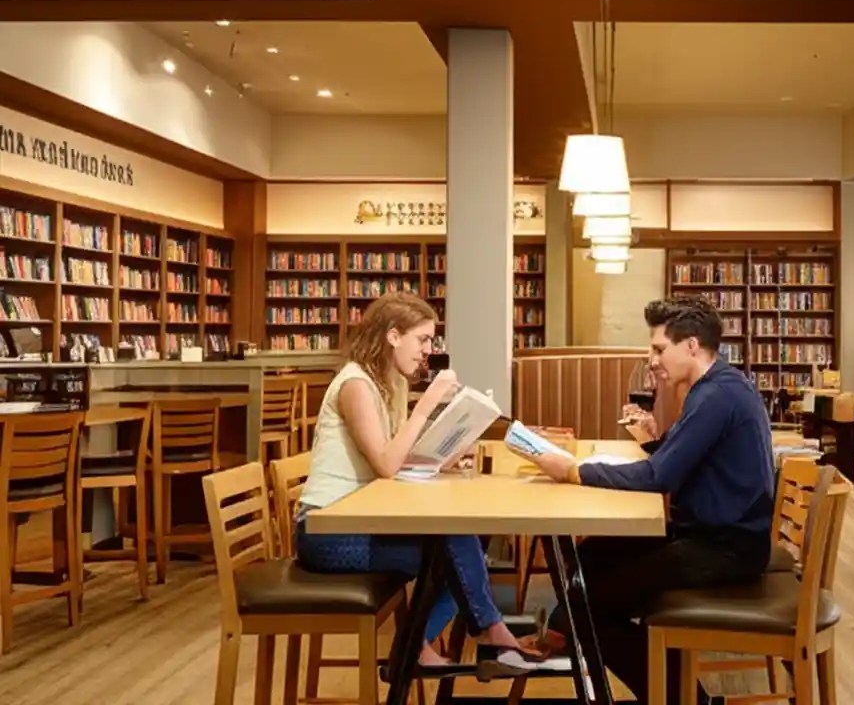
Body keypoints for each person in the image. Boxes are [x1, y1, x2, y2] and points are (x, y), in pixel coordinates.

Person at [523, 295, 775, 704]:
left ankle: (685, 698)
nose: (652, 359)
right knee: (590, 557)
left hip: (725, 547)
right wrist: (657, 441)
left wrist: (573, 471)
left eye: (659, 349)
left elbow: (659, 478)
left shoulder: (715, 397)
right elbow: (686, 463)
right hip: (713, 533)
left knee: (590, 607)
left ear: (691, 345)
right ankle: (560, 631)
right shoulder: (717, 387)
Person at [293, 291, 531, 671]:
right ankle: (480, 632)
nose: (427, 350)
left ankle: (420, 642)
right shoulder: (355, 384)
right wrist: (427, 404)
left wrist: (448, 450)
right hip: (327, 533)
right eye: (422, 339)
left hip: (363, 520)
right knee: (457, 553)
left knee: (464, 545)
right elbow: (387, 465)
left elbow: (400, 457)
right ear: (392, 336)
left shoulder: (391, 383)